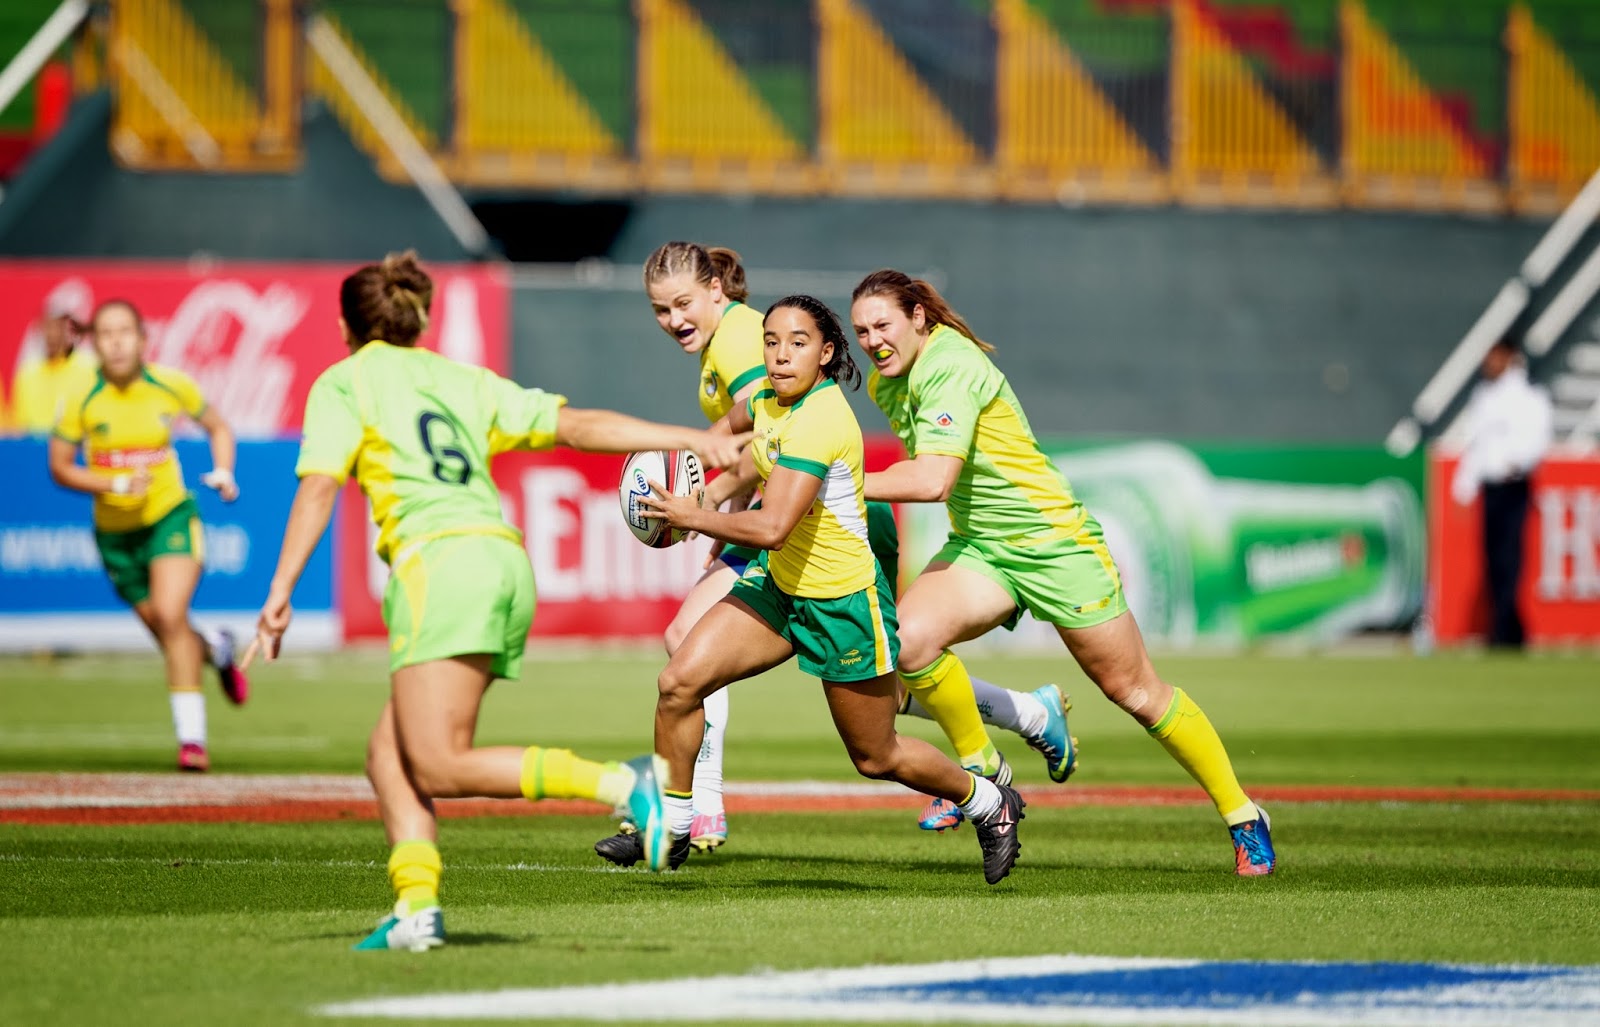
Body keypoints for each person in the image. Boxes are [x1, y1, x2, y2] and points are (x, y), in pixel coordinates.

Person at [238, 252, 750, 952]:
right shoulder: (458, 377)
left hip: (438, 565)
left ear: (347, 326)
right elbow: (575, 425)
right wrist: (689, 437)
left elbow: (320, 485)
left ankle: (624, 782)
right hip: (501, 560)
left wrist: (278, 592)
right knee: (388, 755)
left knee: (439, 762)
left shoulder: (344, 382)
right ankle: (416, 909)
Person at [595, 242, 1070, 864]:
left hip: (841, 597)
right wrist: (689, 468)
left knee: (878, 755)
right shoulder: (764, 394)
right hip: (780, 585)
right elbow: (728, 433)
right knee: (679, 681)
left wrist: (693, 514)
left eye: (796, 343)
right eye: (771, 342)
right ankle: (675, 823)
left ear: (825, 354)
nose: (779, 353)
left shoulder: (821, 421)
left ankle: (987, 800)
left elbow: (771, 527)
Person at [850, 270, 1276, 876]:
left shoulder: (950, 364)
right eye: (862, 330)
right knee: (908, 643)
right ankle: (985, 772)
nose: (872, 340)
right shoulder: (887, 383)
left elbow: (933, 479)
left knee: (1136, 693)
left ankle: (1243, 817)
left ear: (919, 317)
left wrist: (833, 482)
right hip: (985, 547)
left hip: (1056, 546)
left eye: (883, 325)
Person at [47, 300, 248, 773]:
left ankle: (192, 741)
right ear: (94, 342)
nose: (116, 342)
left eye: (125, 332)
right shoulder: (80, 397)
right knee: (167, 629)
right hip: (116, 537)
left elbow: (218, 426)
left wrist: (223, 470)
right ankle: (218, 648)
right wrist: (112, 483)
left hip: (169, 518)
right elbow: (58, 467)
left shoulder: (169, 384)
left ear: (143, 339)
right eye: (107, 333)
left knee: (171, 614)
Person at [1450, 338, 1554, 649]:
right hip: (1490, 487)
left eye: (1494, 357)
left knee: (1509, 557)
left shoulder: (1529, 396)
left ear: (1509, 357)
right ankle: (1511, 628)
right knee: (1493, 557)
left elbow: (1537, 438)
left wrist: (1518, 462)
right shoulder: (1484, 396)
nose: (1489, 363)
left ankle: (1503, 629)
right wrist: (1464, 486)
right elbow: (1477, 446)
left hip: (1515, 485)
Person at [11, 302, 98, 435]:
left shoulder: (90, 368)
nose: (53, 334)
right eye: (48, 326)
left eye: (59, 327)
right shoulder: (28, 374)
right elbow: (20, 426)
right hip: (35, 450)